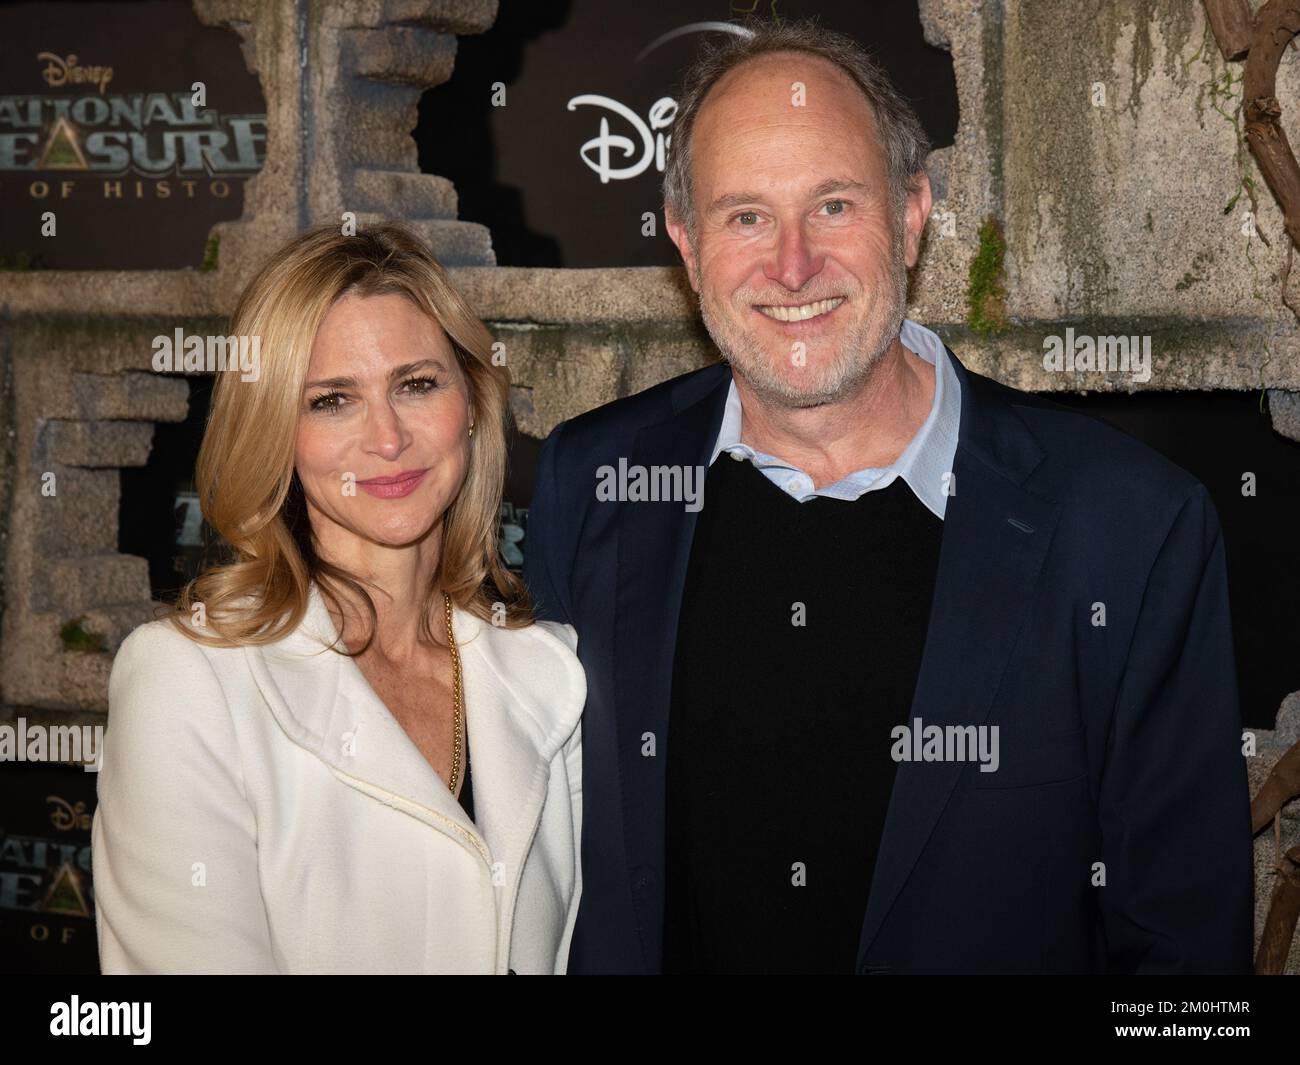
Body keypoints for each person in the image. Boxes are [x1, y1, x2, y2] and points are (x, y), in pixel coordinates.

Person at [522, 20, 1253, 973]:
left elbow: (1191, 973)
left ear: (911, 215)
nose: (792, 266)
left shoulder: (1129, 527)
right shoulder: (595, 484)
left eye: (833, 205)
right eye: (746, 216)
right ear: (687, 244)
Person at [91, 223, 585, 974]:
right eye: (331, 400)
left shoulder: (549, 672)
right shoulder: (189, 681)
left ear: (475, 403)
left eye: (417, 384)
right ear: (274, 432)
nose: (386, 438)